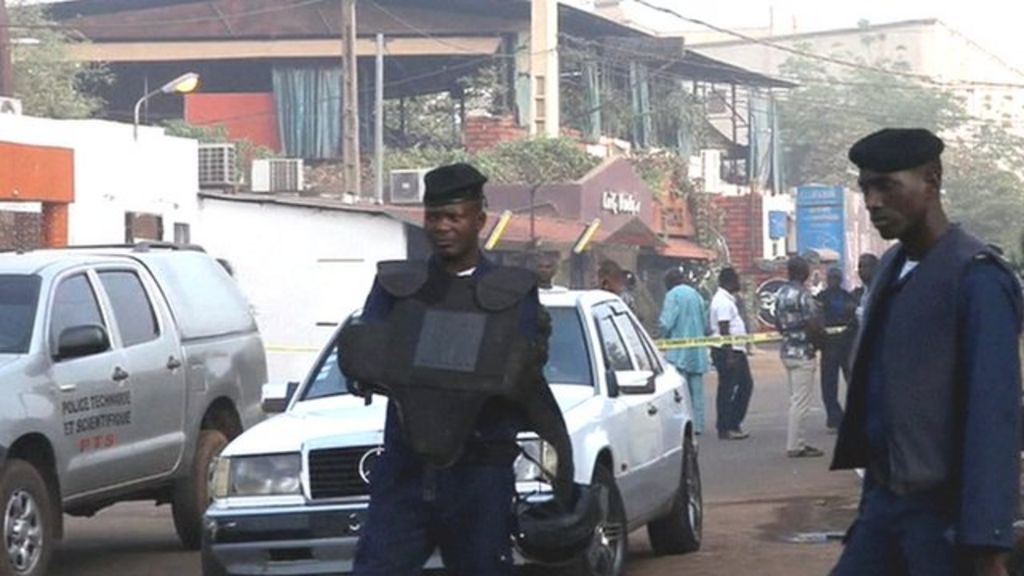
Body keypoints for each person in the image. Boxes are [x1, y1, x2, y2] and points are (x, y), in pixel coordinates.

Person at [341, 163, 575, 576]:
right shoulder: (396, 284)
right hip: (405, 471)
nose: (442, 227)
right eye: (434, 217)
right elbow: (368, 359)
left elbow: (514, 374)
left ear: (479, 220)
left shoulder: (513, 291)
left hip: (480, 474)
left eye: (454, 217)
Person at [831, 129, 1022, 576]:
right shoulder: (891, 270)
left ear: (931, 181)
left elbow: (993, 417)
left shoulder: (977, 278)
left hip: (944, 517)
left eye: (887, 186)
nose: (873, 202)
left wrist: (988, 540)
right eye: (866, 189)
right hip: (885, 505)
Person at [775, 256, 827, 458]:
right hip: (803, 352)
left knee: (795, 399)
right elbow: (814, 324)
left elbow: (778, 324)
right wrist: (820, 343)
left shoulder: (781, 294)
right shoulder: (804, 296)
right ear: (802, 273)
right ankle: (795, 445)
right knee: (801, 402)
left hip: (787, 350)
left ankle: (796, 442)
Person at [659, 267, 709, 434]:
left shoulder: (672, 295)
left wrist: (661, 336)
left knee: (681, 391)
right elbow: (704, 320)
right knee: (697, 390)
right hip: (698, 349)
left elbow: (667, 322)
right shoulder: (695, 294)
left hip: (679, 350)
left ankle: (684, 425)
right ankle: (699, 425)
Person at [709, 267, 754, 440]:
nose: (739, 283)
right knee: (728, 389)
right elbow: (724, 328)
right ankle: (726, 426)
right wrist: (729, 355)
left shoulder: (728, 300)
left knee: (744, 386)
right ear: (729, 282)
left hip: (736, 349)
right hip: (729, 351)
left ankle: (732, 423)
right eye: (736, 280)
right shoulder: (722, 301)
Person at [816, 267, 857, 431]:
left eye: (836, 277)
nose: (833, 280)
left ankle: (853, 415)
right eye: (831, 277)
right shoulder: (821, 297)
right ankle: (834, 417)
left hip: (846, 344)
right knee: (829, 383)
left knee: (852, 381)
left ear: (840, 279)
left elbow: (855, 319)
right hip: (829, 345)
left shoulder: (848, 297)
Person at [851, 253, 880, 326]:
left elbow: (873, 316)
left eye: (865, 266)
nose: (860, 270)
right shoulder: (863, 292)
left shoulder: (882, 290)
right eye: (860, 266)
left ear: (875, 268)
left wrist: (855, 309)